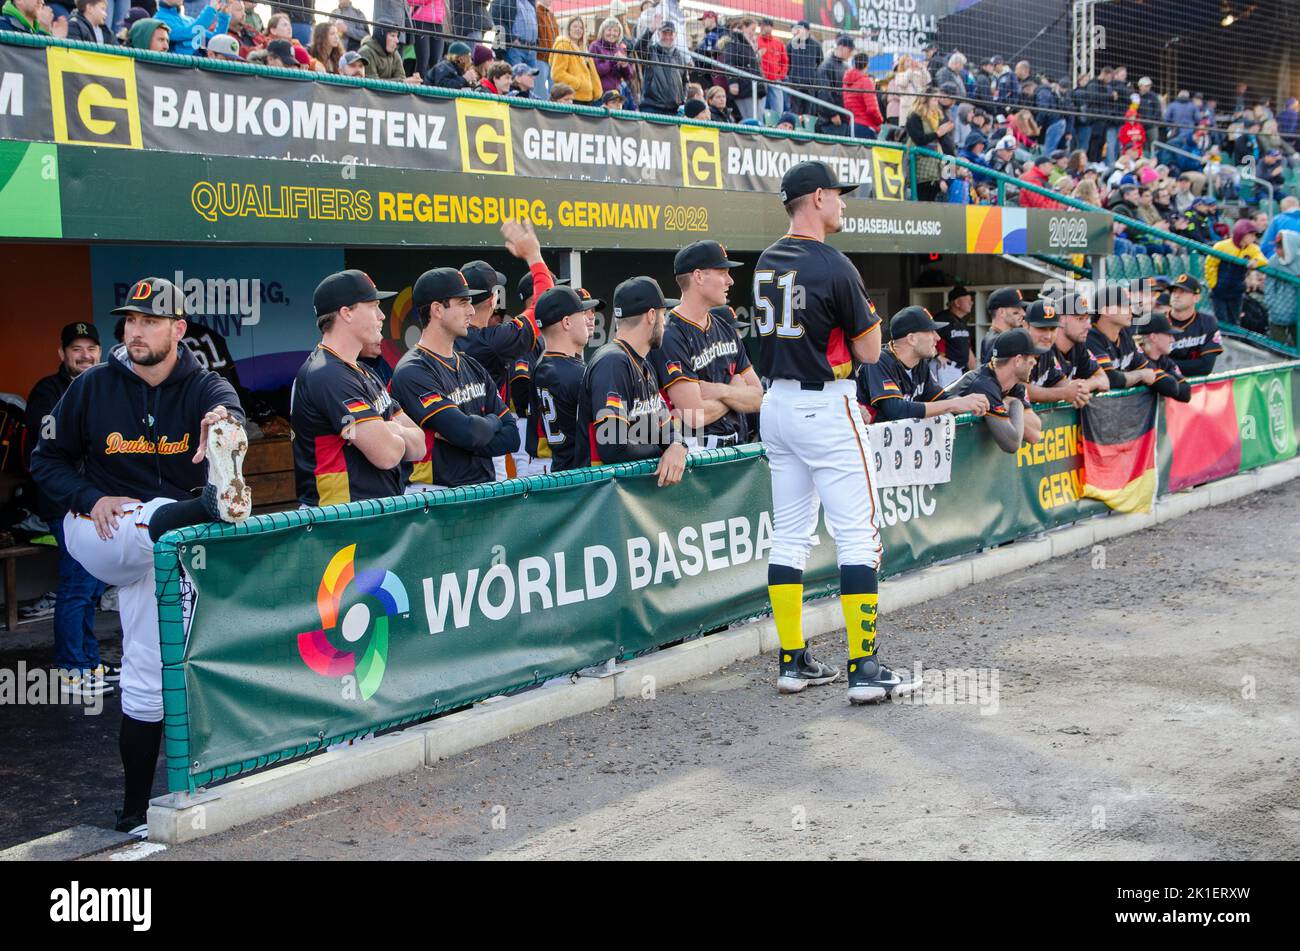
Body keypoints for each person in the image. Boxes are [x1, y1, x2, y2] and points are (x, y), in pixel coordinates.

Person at [30, 277, 251, 838]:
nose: (135, 331)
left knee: (150, 675)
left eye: (150, 320)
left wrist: (223, 422)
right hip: (100, 532)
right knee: (152, 514)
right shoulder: (93, 386)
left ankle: (133, 811)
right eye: (130, 320)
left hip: (160, 551)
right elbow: (45, 461)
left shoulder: (201, 383)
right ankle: (205, 506)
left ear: (178, 329)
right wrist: (89, 497)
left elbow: (230, 410)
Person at [754, 161, 918, 705]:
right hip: (824, 405)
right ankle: (863, 667)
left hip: (775, 403)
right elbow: (872, 352)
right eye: (839, 196)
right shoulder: (833, 262)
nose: (844, 204)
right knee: (858, 535)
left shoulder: (766, 258)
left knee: (790, 534)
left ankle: (792, 660)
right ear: (817, 198)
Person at [23, 323, 110, 696]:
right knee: (77, 582)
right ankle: (71, 667)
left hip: (97, 502)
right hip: (64, 502)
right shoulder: (47, 392)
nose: (85, 355)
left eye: (91, 348)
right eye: (77, 348)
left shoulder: (106, 386)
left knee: (91, 584)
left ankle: (90, 660)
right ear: (62, 354)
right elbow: (55, 454)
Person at [291, 270, 426, 508]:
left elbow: (420, 446)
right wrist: (392, 432)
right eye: (373, 306)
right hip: (339, 520)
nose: (382, 316)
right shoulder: (327, 373)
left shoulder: (363, 371)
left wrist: (389, 428)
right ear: (347, 313)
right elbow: (387, 454)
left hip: (370, 514)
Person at [389, 268, 523, 491]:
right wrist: (490, 424)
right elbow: (468, 433)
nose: (471, 311)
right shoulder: (413, 370)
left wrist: (473, 436)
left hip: (481, 489)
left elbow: (511, 436)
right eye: (462, 302)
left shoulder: (472, 365)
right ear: (437, 309)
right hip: (434, 496)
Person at [457, 221, 552, 479]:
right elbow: (545, 304)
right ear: (493, 299)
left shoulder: (441, 339)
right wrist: (534, 255)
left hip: (446, 457)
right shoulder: (495, 341)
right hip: (484, 446)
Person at [574, 276, 686, 483]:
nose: (665, 322)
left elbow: (667, 430)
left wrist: (677, 446)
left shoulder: (643, 364)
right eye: (664, 314)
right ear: (651, 315)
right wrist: (663, 452)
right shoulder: (613, 363)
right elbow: (613, 447)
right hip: (598, 498)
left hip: (623, 498)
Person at [653, 240, 762, 448]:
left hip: (736, 445)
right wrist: (735, 394)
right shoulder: (671, 334)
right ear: (699, 276)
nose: (730, 281)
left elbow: (758, 398)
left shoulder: (725, 328)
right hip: (697, 452)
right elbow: (695, 415)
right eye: (722, 272)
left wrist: (721, 391)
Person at [857, 306, 989, 423]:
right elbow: (896, 411)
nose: (937, 337)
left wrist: (968, 402)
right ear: (911, 339)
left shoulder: (920, 363)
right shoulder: (878, 360)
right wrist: (953, 404)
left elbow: (938, 397)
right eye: (931, 331)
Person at [938, 328, 1044, 453]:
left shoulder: (1015, 386)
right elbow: (1012, 444)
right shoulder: (983, 385)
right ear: (1018, 360)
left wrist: (1010, 405)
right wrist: (1016, 404)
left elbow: (1035, 434)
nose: (1035, 362)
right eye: (1032, 357)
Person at [529, 286, 599, 472]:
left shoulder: (543, 365)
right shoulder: (573, 373)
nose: (587, 319)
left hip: (560, 466)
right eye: (581, 313)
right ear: (567, 322)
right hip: (580, 475)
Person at [1022, 299, 1095, 406]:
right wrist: (1064, 393)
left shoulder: (1046, 351)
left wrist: (1079, 389)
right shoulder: (1014, 346)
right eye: (1041, 328)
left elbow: (1057, 380)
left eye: (1052, 329)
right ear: (1025, 326)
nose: (1048, 336)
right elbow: (1017, 387)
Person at [1086, 286, 1158, 390]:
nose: (1130, 311)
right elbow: (1111, 379)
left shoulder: (1124, 335)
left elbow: (1150, 371)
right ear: (1106, 310)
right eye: (1124, 306)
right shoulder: (1090, 338)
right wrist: (1140, 375)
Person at [1206, 220, 1268, 327]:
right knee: (1222, 321)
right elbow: (1210, 265)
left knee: (1235, 321)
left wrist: (1255, 262)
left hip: (1237, 291)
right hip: (1219, 291)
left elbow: (1263, 259)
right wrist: (1213, 284)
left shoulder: (1253, 248)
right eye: (1251, 234)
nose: (1254, 237)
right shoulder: (1221, 246)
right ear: (1242, 234)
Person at [1164, 274, 1223, 377]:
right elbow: (1152, 364)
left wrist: (1168, 366)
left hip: (1197, 387)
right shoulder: (1158, 322)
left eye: (1183, 292)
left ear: (1196, 298)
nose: (1176, 295)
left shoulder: (1208, 322)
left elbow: (1205, 367)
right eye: (1174, 291)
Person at [631, 20, 687, 116]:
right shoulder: (651, 51)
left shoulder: (680, 56)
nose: (667, 37)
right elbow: (638, 48)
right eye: (664, 33)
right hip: (652, 108)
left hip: (674, 110)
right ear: (658, 34)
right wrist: (650, 30)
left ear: (675, 35)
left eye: (670, 34)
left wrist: (683, 101)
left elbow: (685, 81)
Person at [1136, 313, 1192, 402]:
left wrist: (1162, 379)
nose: (1173, 340)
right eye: (1169, 335)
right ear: (1153, 337)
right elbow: (1171, 387)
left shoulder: (1163, 359)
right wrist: (1165, 378)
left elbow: (1186, 393)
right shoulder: (1136, 357)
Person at [718, 17, 763, 121]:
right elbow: (730, 64)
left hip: (754, 88)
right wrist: (733, 82)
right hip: (744, 88)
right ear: (743, 27)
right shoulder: (733, 42)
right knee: (749, 120)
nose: (753, 33)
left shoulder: (749, 44)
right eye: (752, 29)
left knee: (758, 119)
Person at [550, 15, 600, 103]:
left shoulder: (585, 50)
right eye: (575, 26)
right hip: (572, 97)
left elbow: (593, 75)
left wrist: (596, 90)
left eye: (581, 27)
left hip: (588, 99)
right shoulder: (563, 45)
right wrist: (577, 83)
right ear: (568, 29)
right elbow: (557, 74)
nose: (578, 29)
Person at [154, 0, 228, 55]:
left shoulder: (190, 20)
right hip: (177, 72)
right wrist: (211, 9)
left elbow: (215, 41)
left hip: (198, 72)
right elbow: (188, 32)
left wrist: (224, 16)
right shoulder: (159, 19)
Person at [814, 34, 854, 134]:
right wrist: (832, 114)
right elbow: (824, 92)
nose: (850, 54)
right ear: (841, 47)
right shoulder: (826, 66)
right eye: (850, 51)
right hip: (830, 121)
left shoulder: (846, 67)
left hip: (844, 118)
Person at [978, 287, 1027, 363]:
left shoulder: (998, 337)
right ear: (1001, 312)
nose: (1023, 313)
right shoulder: (997, 341)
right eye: (1017, 309)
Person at [937, 284, 977, 375]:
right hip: (946, 369)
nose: (971, 303)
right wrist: (937, 356)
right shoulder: (942, 319)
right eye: (968, 300)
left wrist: (974, 372)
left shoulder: (962, 321)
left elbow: (967, 347)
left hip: (962, 370)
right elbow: (930, 340)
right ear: (957, 303)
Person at [843, 52, 882, 138]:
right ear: (867, 64)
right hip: (866, 127)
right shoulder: (866, 82)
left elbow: (846, 106)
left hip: (852, 126)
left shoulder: (846, 84)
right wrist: (880, 121)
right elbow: (872, 109)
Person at [785, 19, 819, 117]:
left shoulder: (816, 46)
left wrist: (813, 77)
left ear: (808, 31)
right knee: (794, 112)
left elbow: (819, 62)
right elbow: (787, 62)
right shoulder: (791, 44)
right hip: (795, 84)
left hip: (810, 85)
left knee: (808, 113)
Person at [590, 17, 632, 98]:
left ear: (619, 34)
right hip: (600, 95)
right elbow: (596, 70)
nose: (612, 33)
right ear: (603, 31)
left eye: (615, 31)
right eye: (609, 30)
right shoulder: (595, 46)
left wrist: (625, 66)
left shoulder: (619, 49)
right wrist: (613, 60)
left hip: (616, 95)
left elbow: (629, 76)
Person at [755, 18, 787, 116]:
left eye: (766, 25)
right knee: (760, 108)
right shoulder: (756, 41)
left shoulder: (778, 43)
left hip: (775, 80)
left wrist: (781, 75)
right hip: (761, 79)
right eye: (762, 26)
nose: (763, 28)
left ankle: (778, 127)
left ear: (771, 27)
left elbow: (784, 61)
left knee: (778, 109)